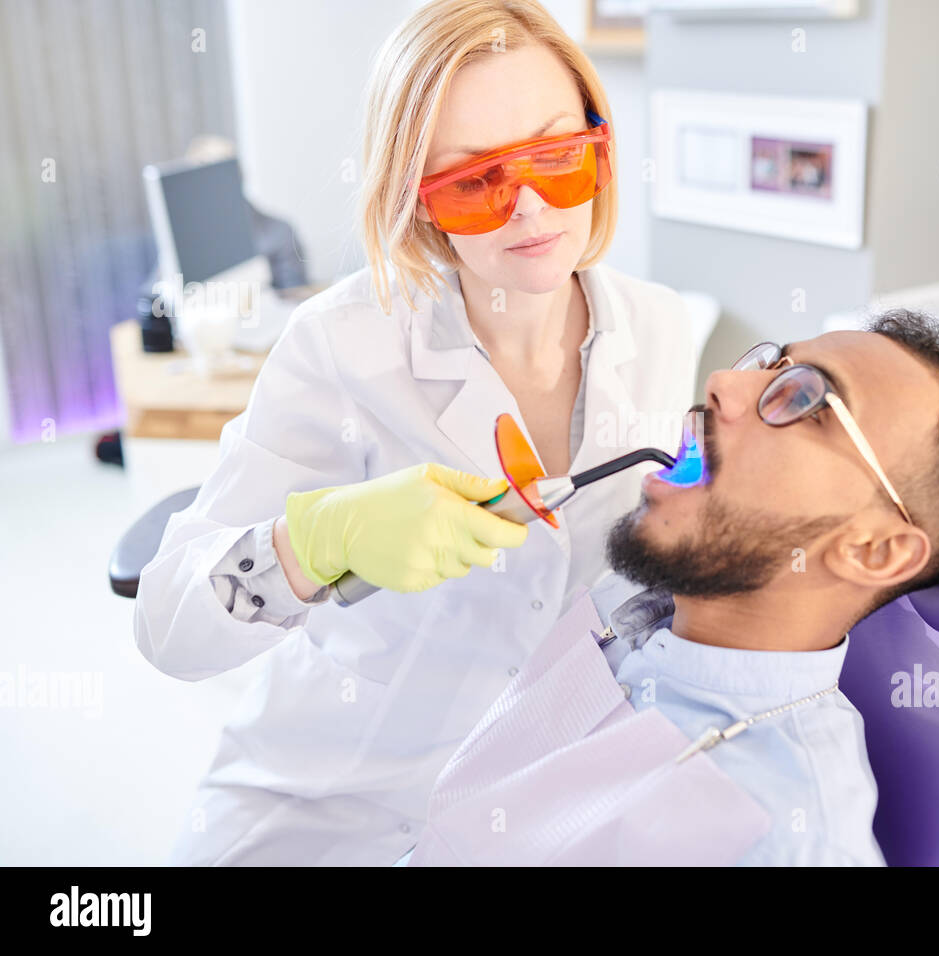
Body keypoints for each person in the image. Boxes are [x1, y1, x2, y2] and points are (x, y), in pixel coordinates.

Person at [134, 0, 694, 865]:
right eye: (476, 182)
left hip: (537, 795)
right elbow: (169, 624)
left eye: (556, 156)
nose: (531, 208)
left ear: (600, 144)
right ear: (419, 202)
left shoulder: (662, 332)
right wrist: (313, 542)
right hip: (326, 795)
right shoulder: (342, 345)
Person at [405, 312, 939, 866]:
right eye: (771, 363)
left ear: (875, 548)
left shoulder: (777, 833)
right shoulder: (628, 602)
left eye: (806, 398)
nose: (723, 382)